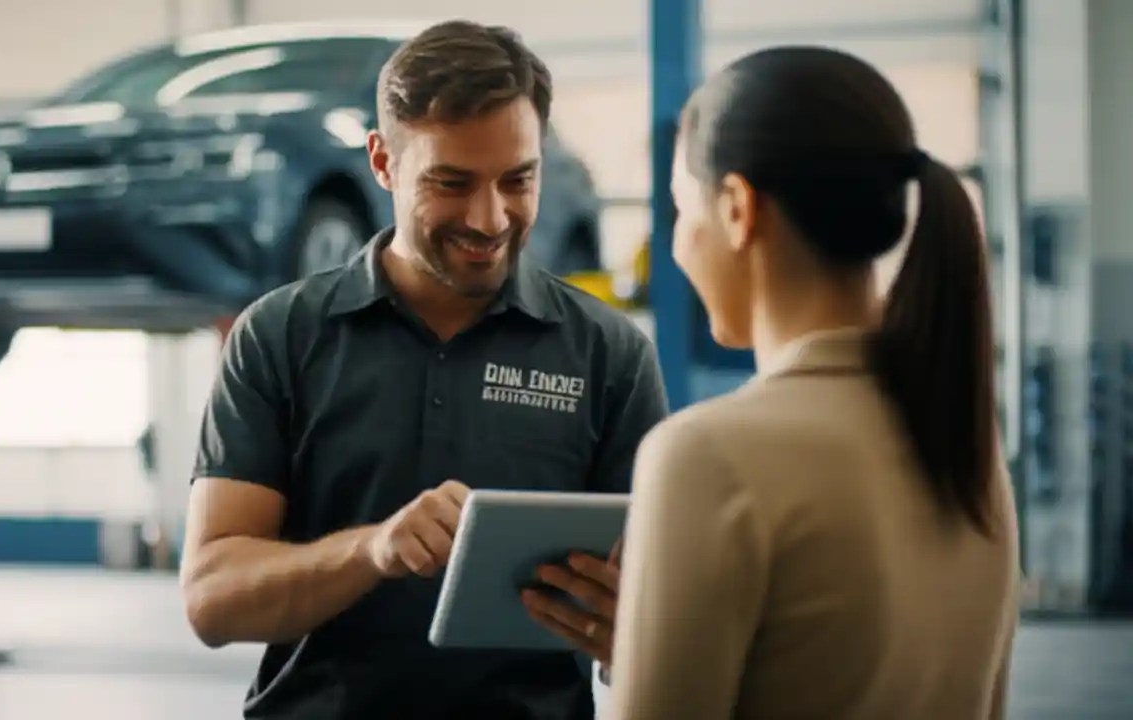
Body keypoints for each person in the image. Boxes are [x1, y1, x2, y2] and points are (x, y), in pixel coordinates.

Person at [178, 20, 668, 720]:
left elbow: (655, 610)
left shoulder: (609, 354)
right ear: (384, 162)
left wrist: (630, 629)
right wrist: (373, 551)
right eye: (451, 182)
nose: (489, 217)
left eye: (517, 180)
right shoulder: (279, 336)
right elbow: (211, 600)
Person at [603, 47, 1021, 719]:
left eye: (682, 209)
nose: (678, 246)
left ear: (738, 208)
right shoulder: (964, 443)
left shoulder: (706, 457)